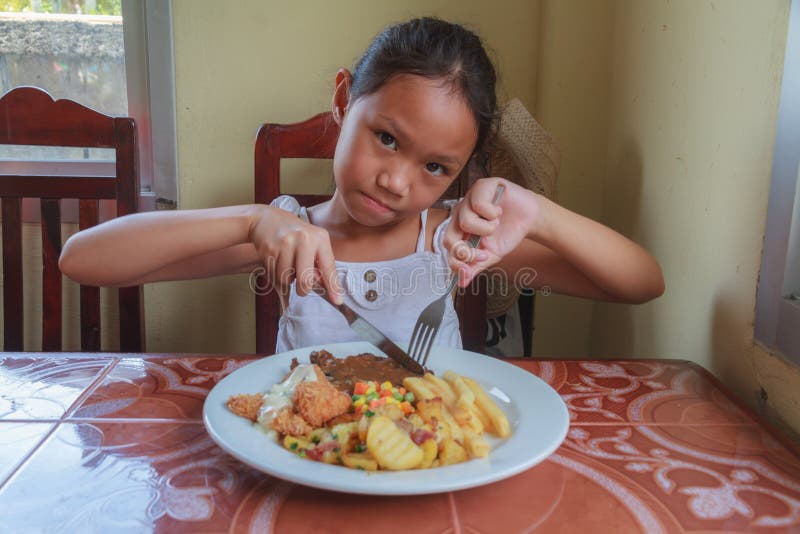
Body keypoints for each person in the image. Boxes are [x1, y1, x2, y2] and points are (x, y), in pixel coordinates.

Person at [59, 17, 664, 353]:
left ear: (461, 173)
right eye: (388, 138)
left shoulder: (452, 241)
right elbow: (82, 260)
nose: (397, 181)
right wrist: (250, 221)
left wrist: (539, 214)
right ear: (346, 100)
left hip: (433, 475)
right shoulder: (289, 239)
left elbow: (641, 283)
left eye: (436, 168)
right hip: (310, 471)